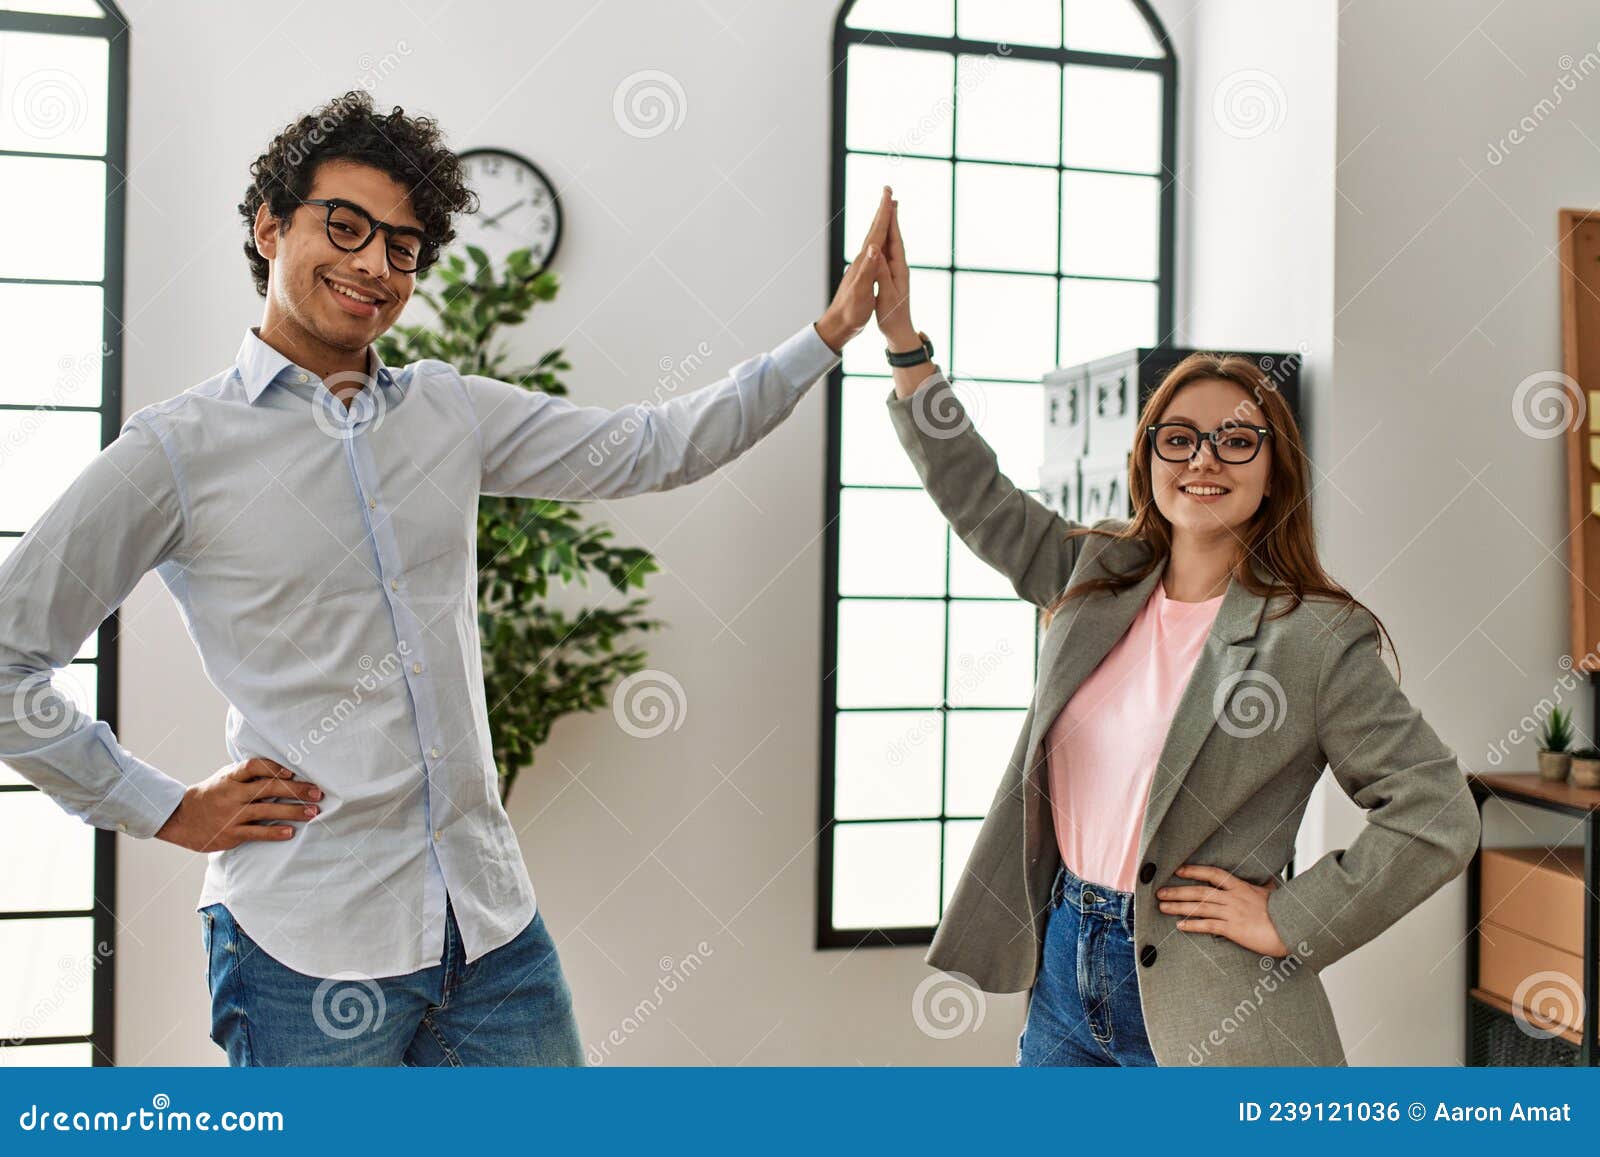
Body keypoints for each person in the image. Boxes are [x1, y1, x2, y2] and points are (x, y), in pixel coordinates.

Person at [0, 89, 895, 1066]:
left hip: (491, 932)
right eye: (344, 225)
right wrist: (160, 803)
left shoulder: (446, 411)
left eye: (403, 245)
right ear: (269, 224)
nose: (374, 265)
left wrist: (832, 331)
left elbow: (655, 446)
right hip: (307, 948)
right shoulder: (176, 450)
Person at [871, 197, 1480, 1066]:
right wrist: (905, 345)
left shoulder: (1314, 638)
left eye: (1237, 441)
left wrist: (1289, 917)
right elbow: (980, 498)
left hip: (1210, 1003)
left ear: (1275, 472)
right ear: (1146, 460)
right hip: (1063, 978)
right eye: (1180, 438)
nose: (1203, 459)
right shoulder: (1093, 575)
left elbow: (1437, 813)